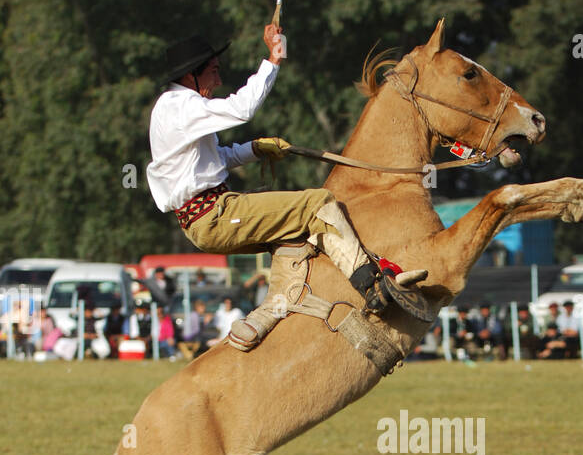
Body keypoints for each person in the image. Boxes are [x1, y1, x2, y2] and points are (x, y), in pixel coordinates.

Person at [146, 23, 428, 352]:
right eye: (214, 71)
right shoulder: (180, 106)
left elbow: (215, 159)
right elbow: (242, 108)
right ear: (192, 74)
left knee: (299, 234)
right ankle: (373, 287)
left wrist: (255, 149)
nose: (219, 81)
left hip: (212, 214)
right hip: (214, 214)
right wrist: (273, 60)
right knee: (316, 203)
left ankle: (262, 319)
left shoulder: (180, 110)